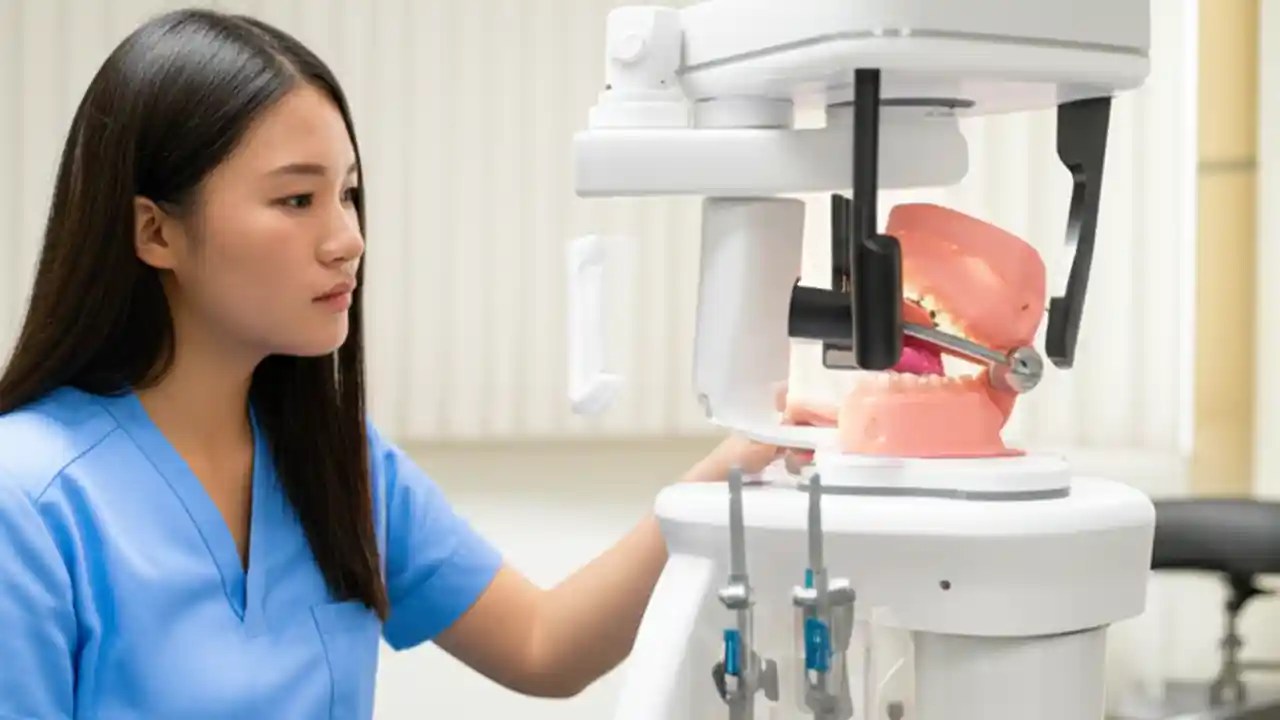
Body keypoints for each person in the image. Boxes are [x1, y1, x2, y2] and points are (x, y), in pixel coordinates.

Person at [0, 9, 834, 719]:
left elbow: (544, 646)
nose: (347, 239)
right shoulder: (30, 501)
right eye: (296, 200)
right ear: (156, 233)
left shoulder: (336, 461)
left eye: (349, 194)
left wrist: (735, 464)